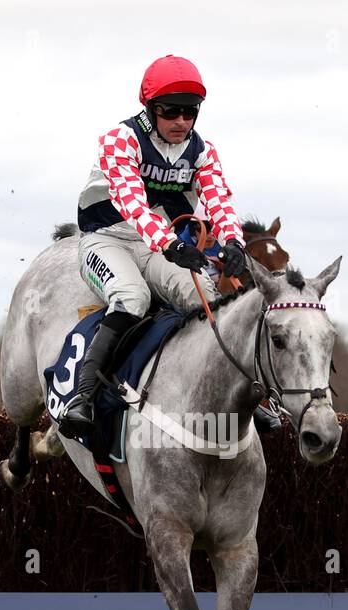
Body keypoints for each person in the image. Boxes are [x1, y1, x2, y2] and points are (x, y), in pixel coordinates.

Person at [60, 54, 248, 440]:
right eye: (172, 112)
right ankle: (83, 397)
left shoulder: (203, 151)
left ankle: (236, 401)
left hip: (158, 248)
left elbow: (219, 201)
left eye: (190, 113)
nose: (182, 122)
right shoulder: (120, 139)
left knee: (205, 300)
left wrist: (233, 242)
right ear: (150, 108)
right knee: (133, 297)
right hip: (108, 238)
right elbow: (133, 202)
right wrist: (170, 244)